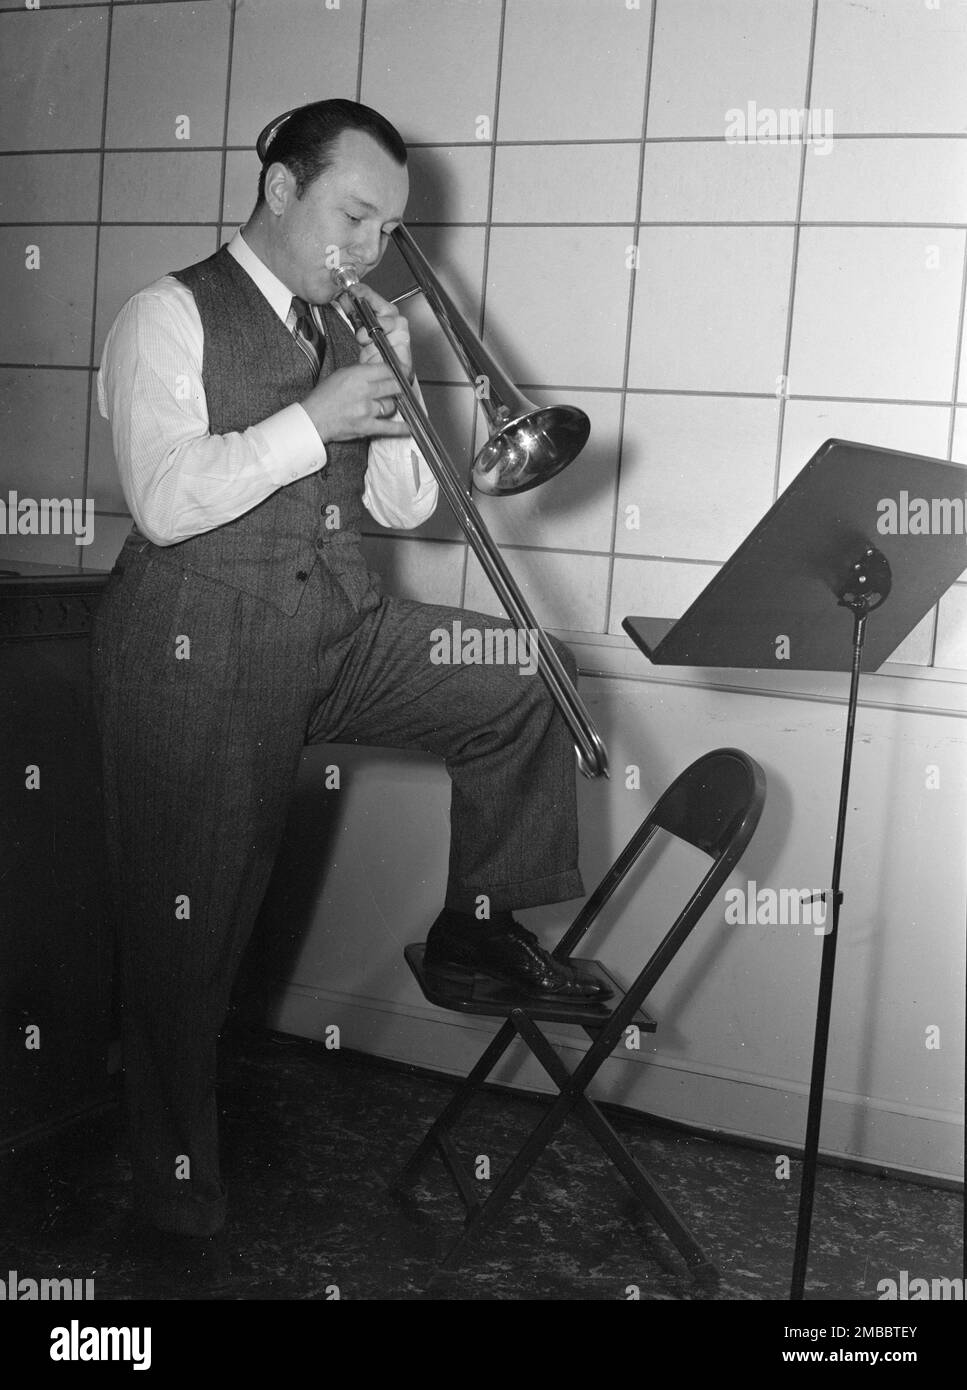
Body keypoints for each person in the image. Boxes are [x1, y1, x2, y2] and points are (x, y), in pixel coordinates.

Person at [91, 98, 606, 1278]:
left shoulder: (353, 325)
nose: (371, 248)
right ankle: (174, 1219)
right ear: (280, 186)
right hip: (195, 644)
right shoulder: (165, 313)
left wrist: (404, 380)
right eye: (354, 214)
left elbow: (402, 513)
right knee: (189, 937)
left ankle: (478, 931)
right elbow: (165, 498)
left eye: (388, 228)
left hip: (336, 627)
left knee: (520, 671)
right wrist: (311, 418)